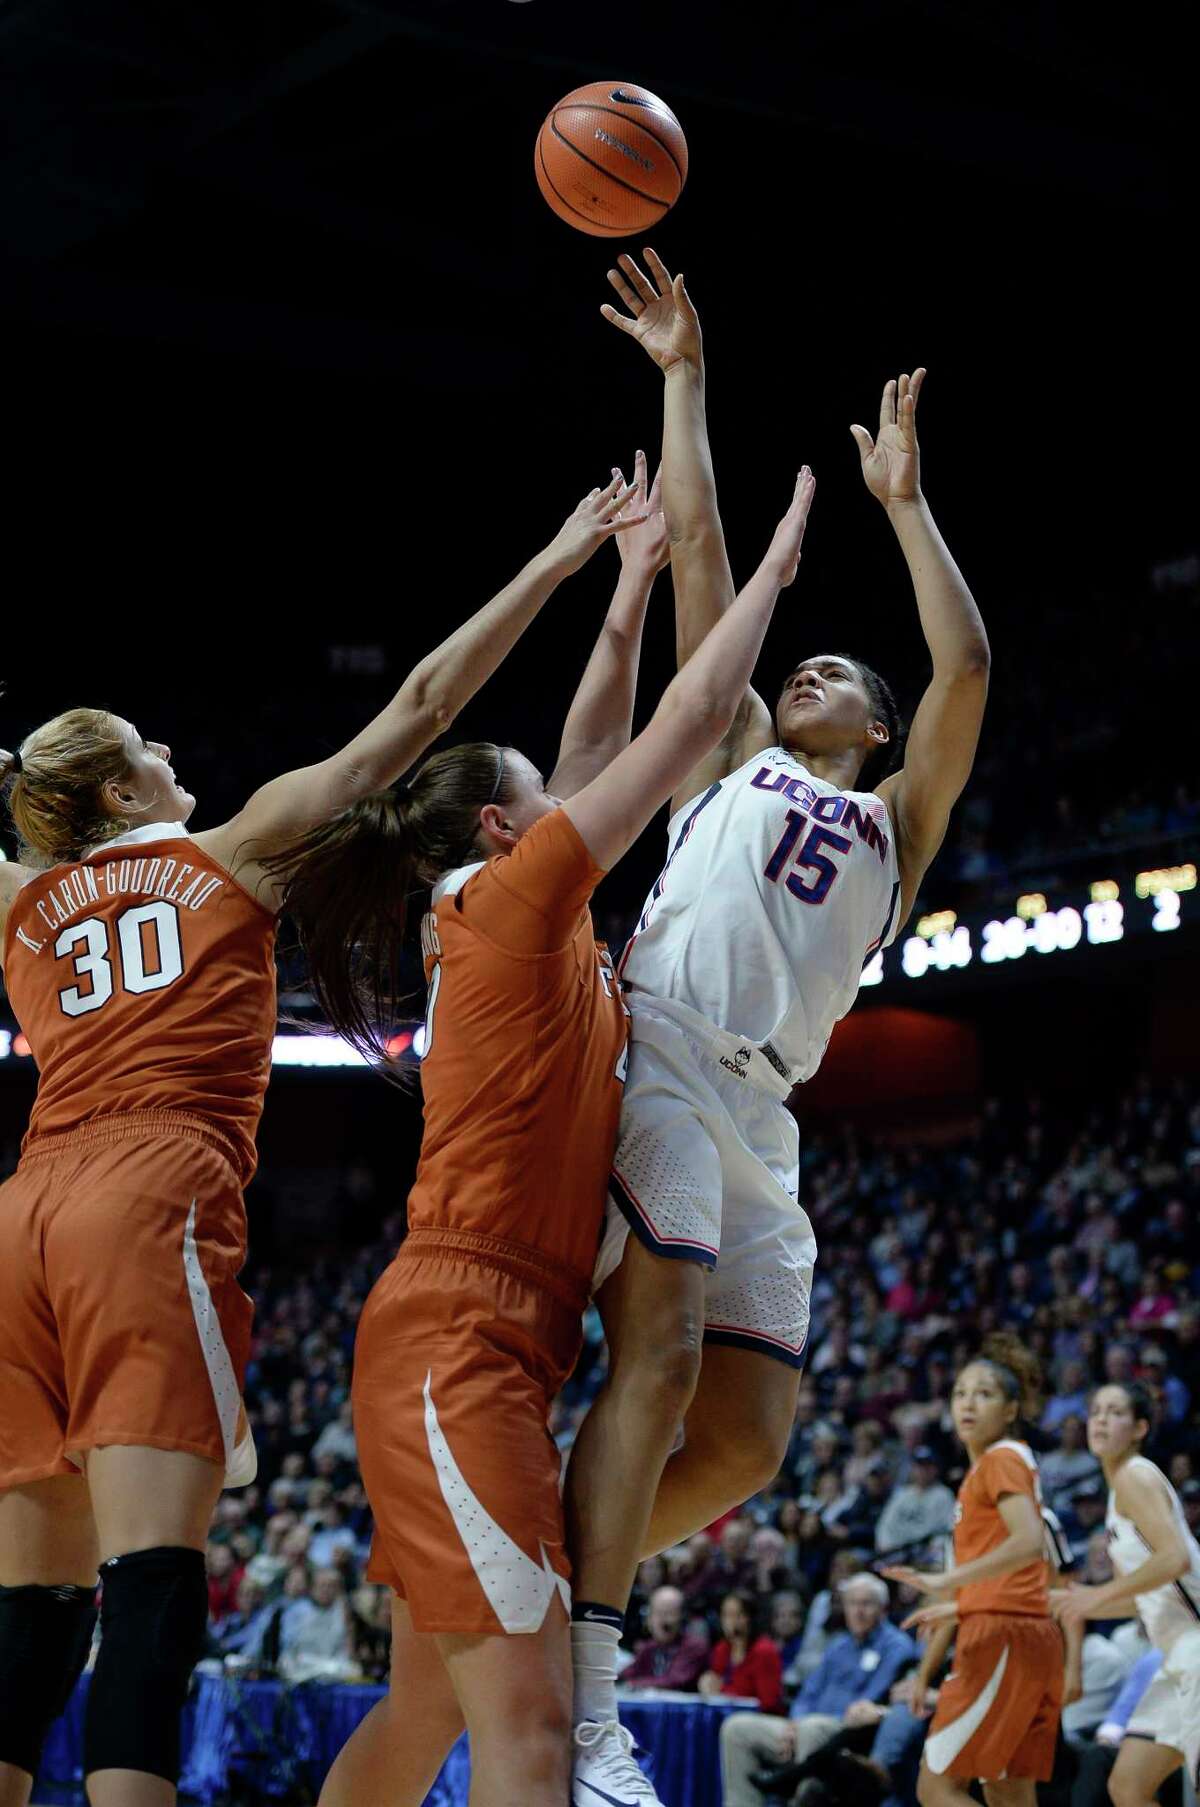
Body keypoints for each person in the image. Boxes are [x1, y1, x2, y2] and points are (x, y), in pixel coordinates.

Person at [0, 479, 640, 1807]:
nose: (174, 747)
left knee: (30, 1601)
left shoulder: (22, 894)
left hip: (20, 1210)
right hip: (144, 1189)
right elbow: (418, 710)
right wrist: (556, 561)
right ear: (124, 783)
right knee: (147, 1577)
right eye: (148, 744)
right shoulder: (233, 849)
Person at [289, 452, 817, 1805]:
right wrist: (768, 574)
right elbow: (694, 717)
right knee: (525, 1730)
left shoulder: (518, 908)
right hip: (461, 1342)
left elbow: (587, 746)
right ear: (498, 825)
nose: (569, 794)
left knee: (422, 1707)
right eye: (544, 796)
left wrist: (632, 584)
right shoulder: (511, 908)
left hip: (485, 1341)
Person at [565, 243, 989, 1805]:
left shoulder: (900, 822)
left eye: (835, 673)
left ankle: (556, 1559)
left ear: (869, 730)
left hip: (770, 1116)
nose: (801, 666)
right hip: (665, 1050)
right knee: (661, 1361)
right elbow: (699, 546)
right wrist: (682, 378)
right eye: (798, 658)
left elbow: (968, 662)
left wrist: (904, 505)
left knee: (746, 1444)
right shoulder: (733, 739)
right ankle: (591, 1695)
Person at [883, 1334, 1065, 1807]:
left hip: (1002, 1634)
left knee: (937, 1788)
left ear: (1011, 1410)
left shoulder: (999, 1460)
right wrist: (950, 1614)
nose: (968, 1404)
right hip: (1026, 1635)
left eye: (984, 1394)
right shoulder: (994, 1468)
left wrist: (949, 1582)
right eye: (961, 1393)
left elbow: (1029, 1543)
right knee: (1008, 1791)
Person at [1051, 1381, 1200, 1807]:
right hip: (1176, 1657)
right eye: (1096, 1410)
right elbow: (1141, 1598)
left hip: (1197, 1645)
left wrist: (1092, 1599)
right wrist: (1072, 1600)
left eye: (1115, 1412)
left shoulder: (1136, 1475)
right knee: (1128, 1787)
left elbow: (1174, 1559)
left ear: (1139, 1428)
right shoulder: (1118, 1496)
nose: (1100, 1419)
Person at [719, 1572, 915, 1807]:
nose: (858, 1611)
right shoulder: (838, 1644)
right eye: (852, 1603)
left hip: (848, 1729)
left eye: (866, 1604)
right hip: (806, 1725)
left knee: (812, 1728)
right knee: (737, 1728)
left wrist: (806, 1724)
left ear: (883, 1608)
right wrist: (794, 1723)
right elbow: (809, 1692)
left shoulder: (896, 1646)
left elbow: (872, 1699)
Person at [699, 1590, 786, 1714]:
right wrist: (707, 1684)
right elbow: (714, 1684)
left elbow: (768, 1702)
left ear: (749, 1618)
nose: (729, 1621)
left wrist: (722, 1690)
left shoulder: (764, 1651)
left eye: (736, 1615)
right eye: (726, 1615)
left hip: (759, 1718)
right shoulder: (722, 1649)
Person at [620, 1585, 709, 1692]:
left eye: (670, 1613)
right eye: (658, 1613)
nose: (664, 1621)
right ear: (649, 1618)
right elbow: (626, 1675)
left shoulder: (695, 1647)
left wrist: (632, 1684)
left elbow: (675, 1680)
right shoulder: (648, 1648)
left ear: (683, 1616)